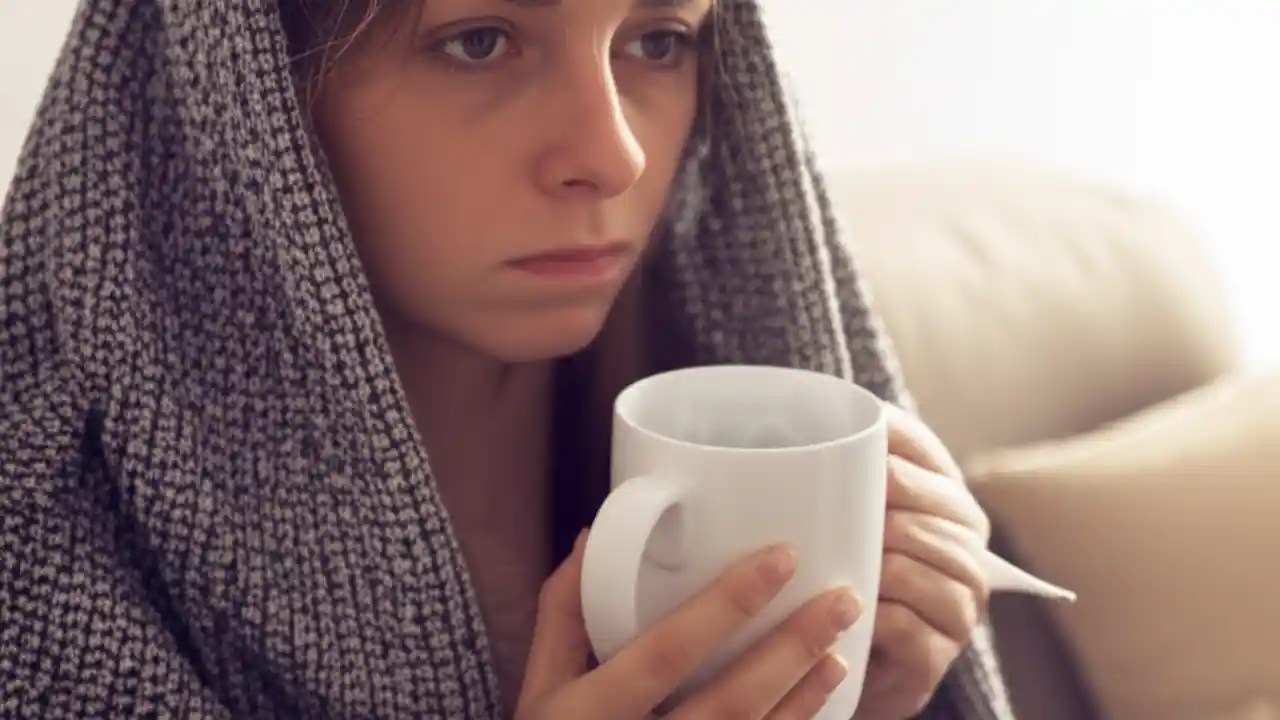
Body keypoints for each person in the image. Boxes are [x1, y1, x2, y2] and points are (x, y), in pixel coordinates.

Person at [0, 1, 1013, 718]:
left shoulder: (725, 429)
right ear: (231, 95)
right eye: (478, 41)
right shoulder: (39, 572)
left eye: (657, 42)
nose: (609, 153)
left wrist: (856, 700)